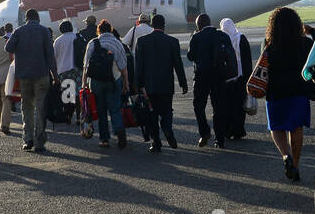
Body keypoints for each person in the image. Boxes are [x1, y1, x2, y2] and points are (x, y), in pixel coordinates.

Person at [260, 6, 315, 179]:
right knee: (296, 127)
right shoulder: (305, 43)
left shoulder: (269, 44)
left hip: (276, 91)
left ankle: (286, 155)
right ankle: (296, 165)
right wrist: (312, 31)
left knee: (276, 127)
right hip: (299, 90)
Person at [5, 9, 59, 152]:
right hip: (42, 75)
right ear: (38, 19)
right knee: (41, 108)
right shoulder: (44, 31)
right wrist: (55, 75)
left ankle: (27, 139)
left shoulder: (19, 31)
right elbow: (50, 55)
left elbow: (8, 48)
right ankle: (39, 142)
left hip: (24, 76)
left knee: (26, 108)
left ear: (26, 18)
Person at [134, 13, 188, 152]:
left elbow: (138, 66)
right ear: (164, 26)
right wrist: (183, 83)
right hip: (166, 84)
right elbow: (178, 65)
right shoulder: (172, 41)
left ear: (152, 25)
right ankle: (167, 128)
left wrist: (138, 85)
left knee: (151, 114)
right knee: (167, 109)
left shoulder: (142, 41)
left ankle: (156, 142)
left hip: (149, 85)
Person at [188, 13, 236, 147]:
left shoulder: (197, 37)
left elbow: (191, 57)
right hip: (219, 76)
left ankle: (204, 131)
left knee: (199, 106)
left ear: (199, 25)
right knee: (219, 108)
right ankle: (219, 139)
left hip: (202, 77)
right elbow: (230, 54)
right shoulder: (222, 35)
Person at [83, 19, 130, 148]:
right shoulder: (116, 43)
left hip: (96, 82)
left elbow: (86, 67)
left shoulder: (92, 43)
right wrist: (126, 83)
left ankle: (104, 139)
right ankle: (119, 132)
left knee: (101, 111)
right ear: (110, 30)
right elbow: (123, 66)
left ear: (98, 30)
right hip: (113, 80)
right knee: (115, 108)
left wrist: (84, 84)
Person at [219, 18, 252, 140]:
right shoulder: (241, 38)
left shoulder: (221, 39)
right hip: (241, 77)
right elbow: (247, 60)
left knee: (227, 105)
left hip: (227, 78)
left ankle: (228, 130)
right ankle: (239, 130)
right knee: (239, 105)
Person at [53, 20, 80, 122]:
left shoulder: (58, 41)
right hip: (77, 69)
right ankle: (78, 116)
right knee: (77, 93)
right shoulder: (77, 37)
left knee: (67, 94)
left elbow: (54, 57)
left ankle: (68, 115)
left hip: (63, 70)